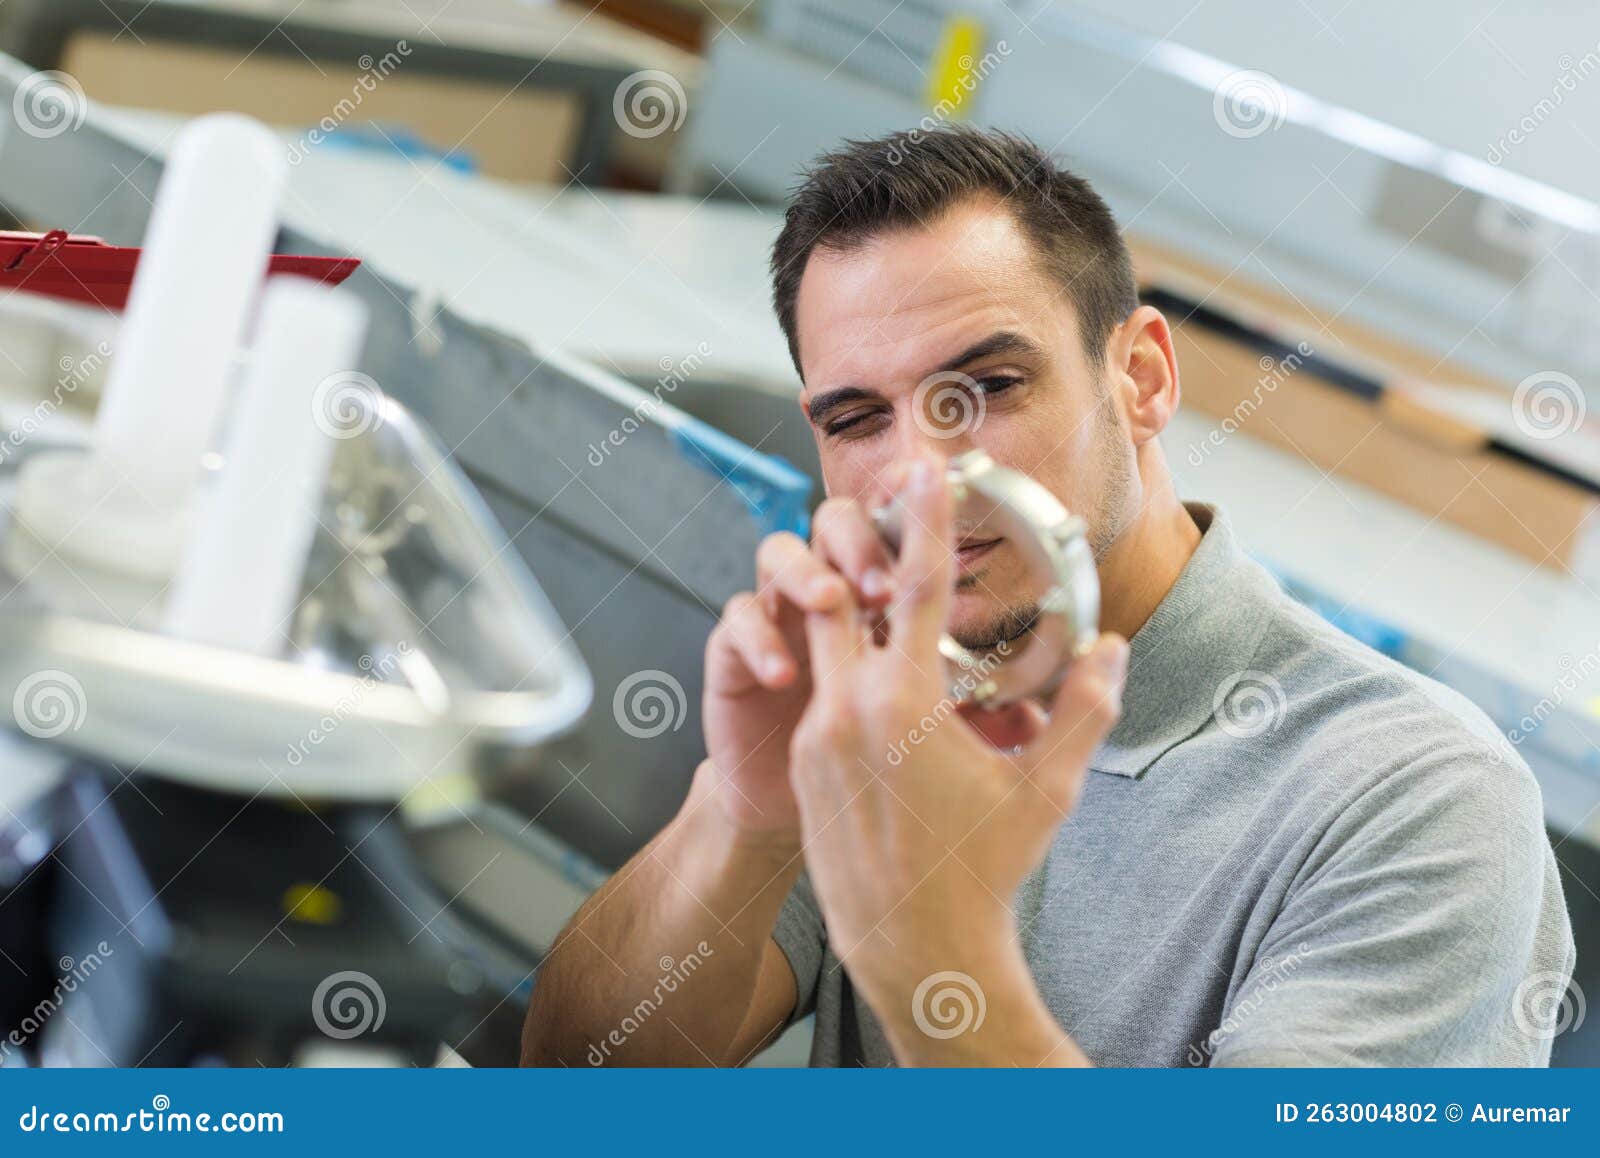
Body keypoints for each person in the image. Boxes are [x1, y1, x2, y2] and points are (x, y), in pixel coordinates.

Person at [522, 127, 1575, 1067]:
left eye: (984, 390)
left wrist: (940, 958)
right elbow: (581, 1073)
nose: (923, 477)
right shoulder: (897, 698)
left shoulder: (1417, 800)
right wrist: (745, 811)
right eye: (856, 421)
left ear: (1143, 379)